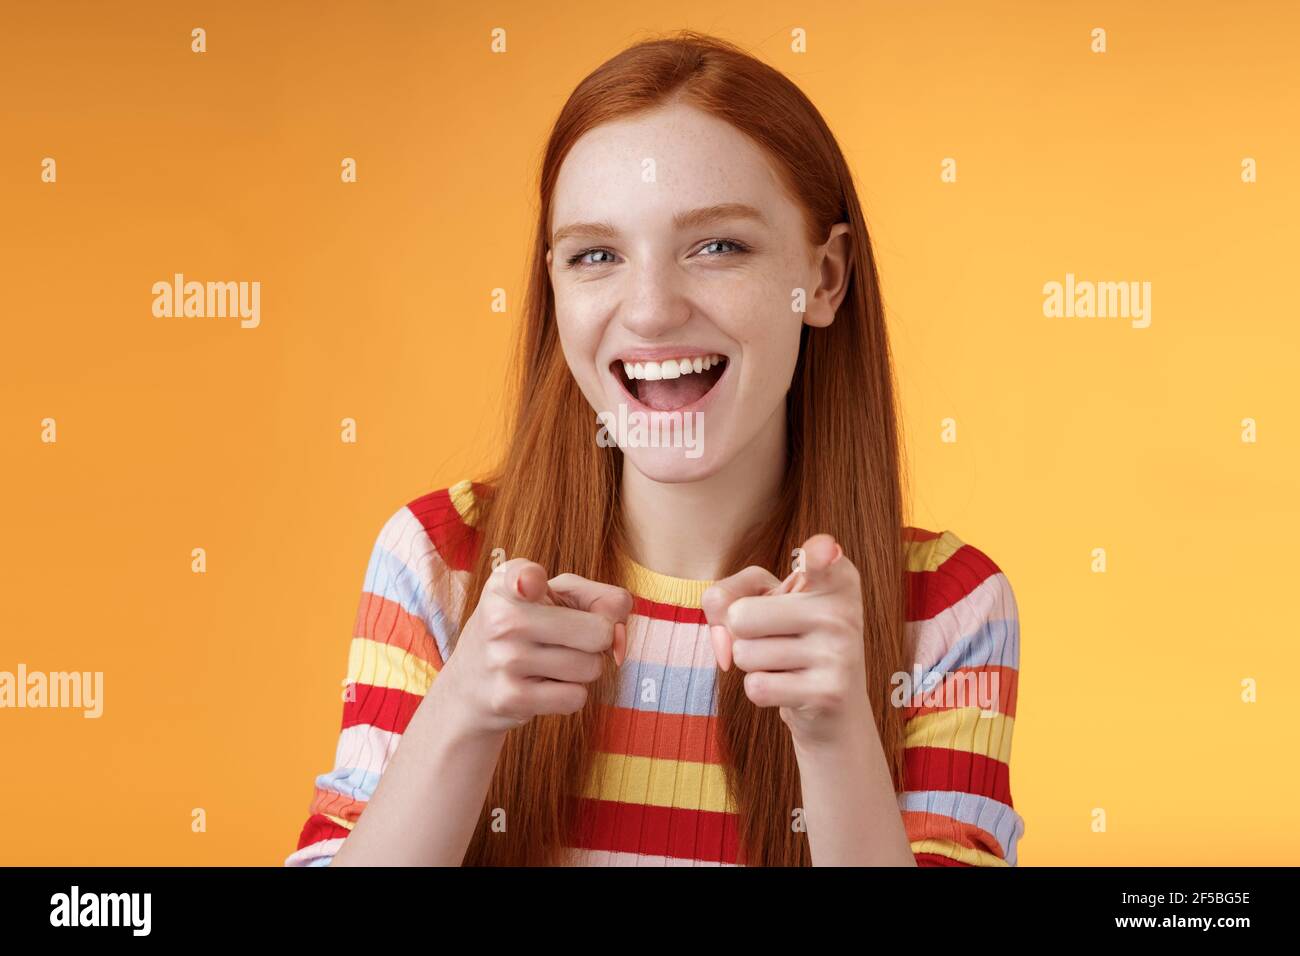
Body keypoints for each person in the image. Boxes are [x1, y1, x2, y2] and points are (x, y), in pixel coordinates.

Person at [286, 30, 1024, 867]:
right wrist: (459, 715)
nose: (649, 311)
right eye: (595, 254)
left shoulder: (948, 609)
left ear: (823, 280)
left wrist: (835, 739)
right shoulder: (438, 561)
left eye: (717, 247)